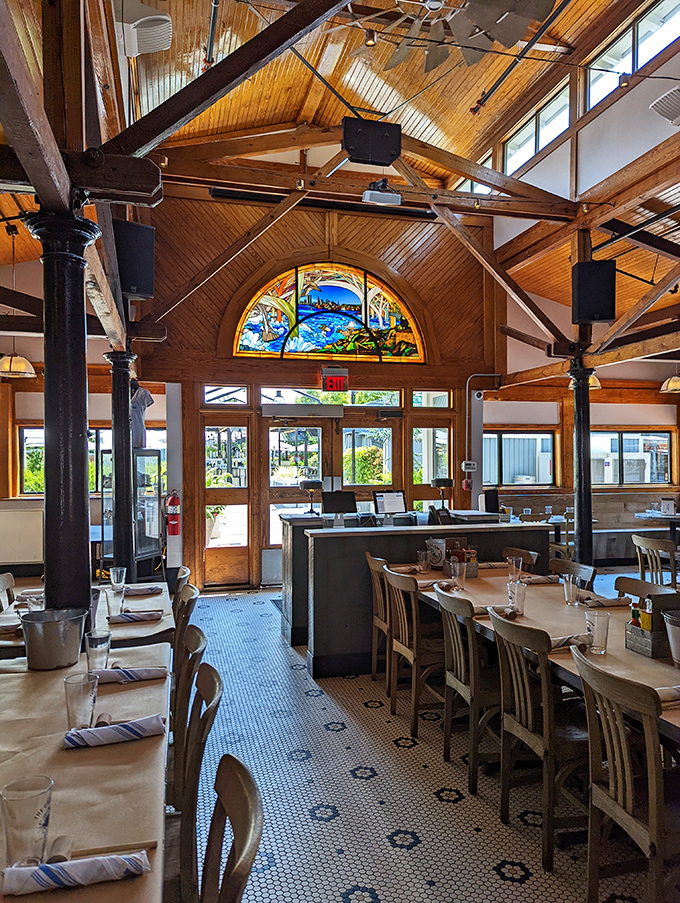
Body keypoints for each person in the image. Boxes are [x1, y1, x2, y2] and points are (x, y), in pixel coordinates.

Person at [130, 378, 154, 448]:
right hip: (127, 429)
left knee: (138, 447)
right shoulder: (125, 394)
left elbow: (149, 402)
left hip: (138, 427)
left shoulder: (144, 393)